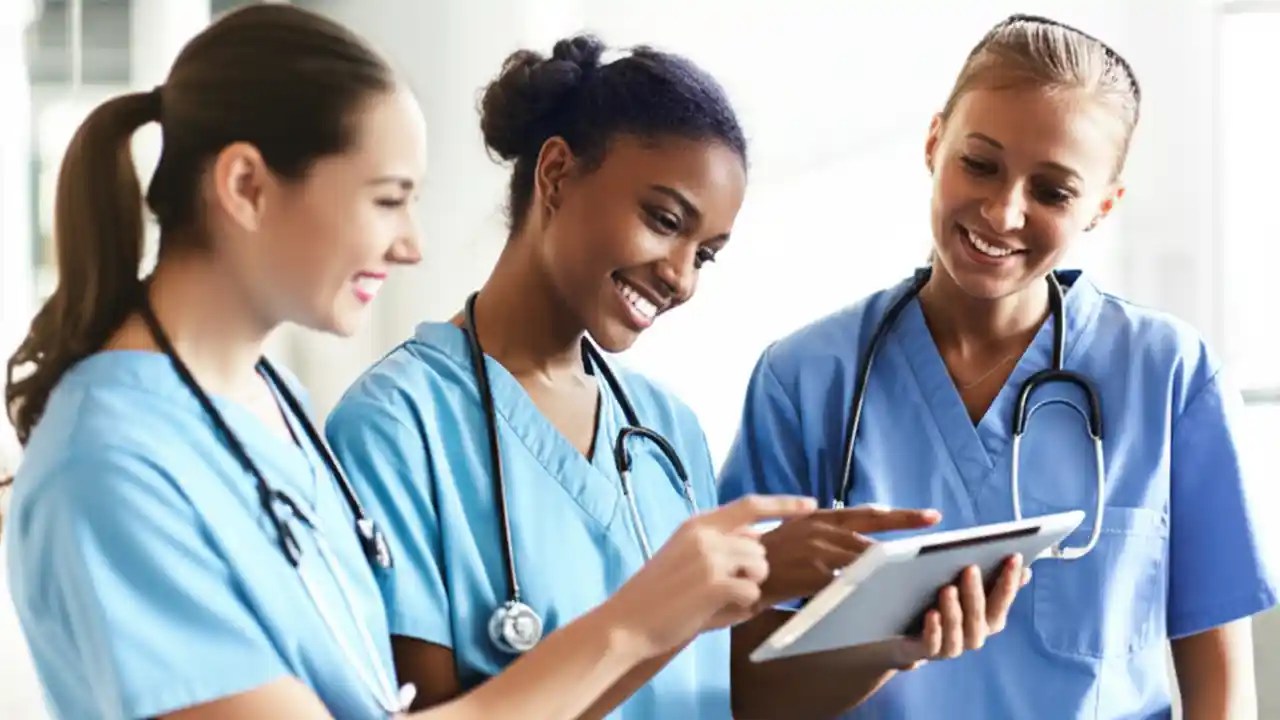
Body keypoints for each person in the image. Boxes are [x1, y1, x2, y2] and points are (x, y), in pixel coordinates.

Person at [1, 6, 821, 720]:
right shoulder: (110, 464)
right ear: (247, 186)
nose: (411, 244)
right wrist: (642, 618)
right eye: (388, 197)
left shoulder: (266, 404)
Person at [325, 33, 1027, 720]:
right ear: (557, 174)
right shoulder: (395, 426)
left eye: (707, 254)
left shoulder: (665, 432)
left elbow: (730, 698)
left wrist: (890, 643)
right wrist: (664, 607)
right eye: (664, 220)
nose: (681, 277)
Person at [719, 13, 1280, 720]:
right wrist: (892, 647)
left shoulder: (1169, 376)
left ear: (1102, 207)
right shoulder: (806, 380)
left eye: (1052, 191)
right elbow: (750, 697)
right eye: (979, 164)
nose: (1002, 210)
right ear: (934, 142)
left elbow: (1223, 693)